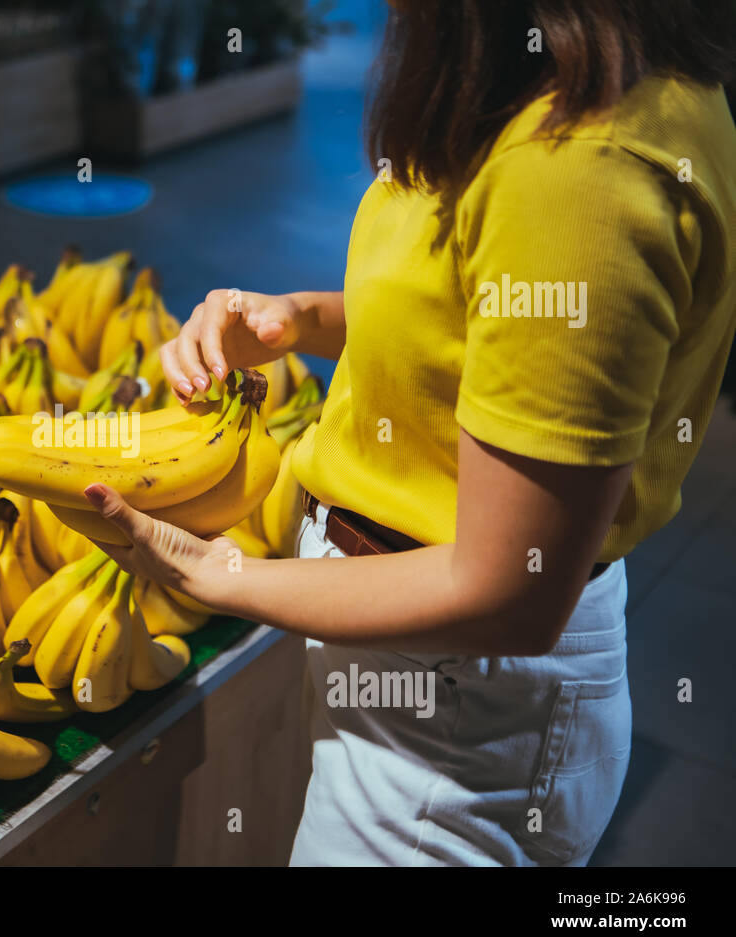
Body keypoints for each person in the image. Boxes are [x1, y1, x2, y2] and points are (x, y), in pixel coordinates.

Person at [80, 0, 736, 865]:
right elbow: (489, 325)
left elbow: (508, 591)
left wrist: (218, 574)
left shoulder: (576, 172)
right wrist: (300, 318)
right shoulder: (585, 79)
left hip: (456, 724)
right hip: (433, 682)